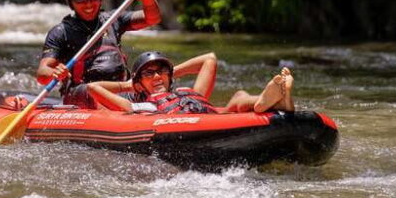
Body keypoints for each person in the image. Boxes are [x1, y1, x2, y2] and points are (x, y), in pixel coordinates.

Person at [36, 0, 162, 107]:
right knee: (91, 90)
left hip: (120, 90)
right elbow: (42, 74)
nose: (88, 3)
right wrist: (54, 73)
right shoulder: (61, 32)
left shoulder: (112, 20)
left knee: (155, 67)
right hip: (82, 94)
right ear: (70, 2)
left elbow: (153, 18)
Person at [86, 50, 295, 114]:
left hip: (211, 118)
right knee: (236, 102)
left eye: (161, 72)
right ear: (138, 84)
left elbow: (209, 59)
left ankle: (268, 101)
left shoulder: (188, 93)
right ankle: (272, 100)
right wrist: (131, 84)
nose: (156, 76)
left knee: (239, 96)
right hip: (193, 127)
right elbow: (93, 87)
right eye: (149, 74)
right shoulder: (145, 106)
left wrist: (165, 75)